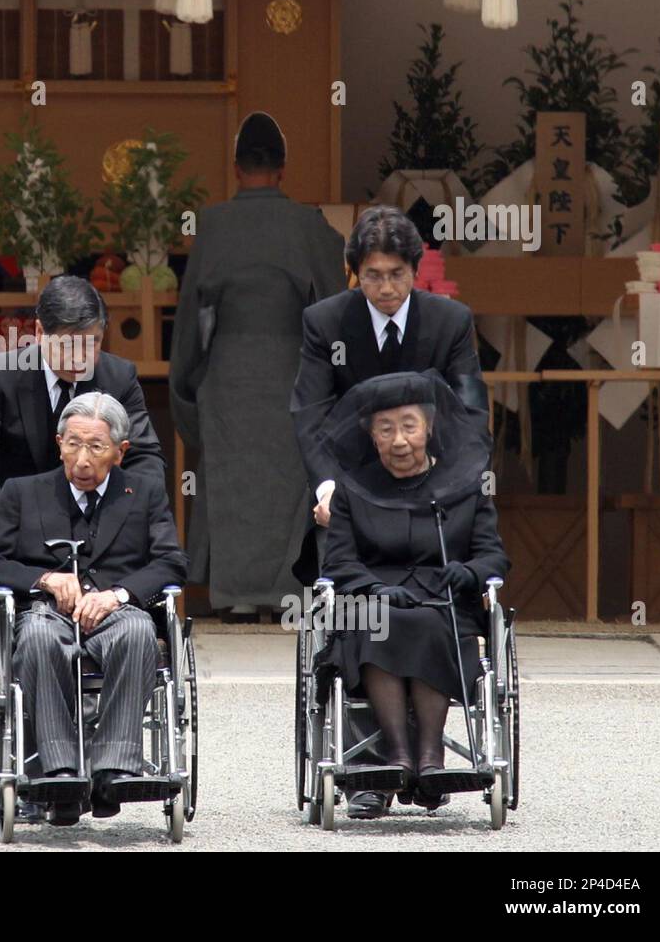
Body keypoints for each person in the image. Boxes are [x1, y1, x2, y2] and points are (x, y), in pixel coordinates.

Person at [0, 391, 187, 826]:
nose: (83, 459)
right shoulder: (22, 492)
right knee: (34, 637)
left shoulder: (143, 493)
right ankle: (58, 770)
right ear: (59, 443)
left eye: (96, 447)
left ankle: (113, 768)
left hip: (114, 611)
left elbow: (171, 562)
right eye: (73, 444)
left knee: (138, 632)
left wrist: (119, 595)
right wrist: (45, 580)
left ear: (120, 451)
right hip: (46, 613)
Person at [170, 111, 345, 621]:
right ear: (283, 169)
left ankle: (236, 596)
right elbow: (334, 306)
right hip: (294, 370)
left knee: (230, 480)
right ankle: (288, 591)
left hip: (226, 372)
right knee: (291, 479)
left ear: (236, 166)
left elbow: (190, 322)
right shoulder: (308, 225)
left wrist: (186, 388)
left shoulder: (214, 224)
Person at [314, 370, 508, 819]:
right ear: (371, 436)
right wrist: (374, 588)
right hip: (372, 599)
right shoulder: (353, 490)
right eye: (386, 429)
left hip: (444, 600)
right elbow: (339, 563)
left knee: (426, 622)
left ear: (429, 428)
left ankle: (430, 760)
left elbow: (494, 559)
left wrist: (466, 573)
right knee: (381, 621)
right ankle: (399, 759)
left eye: (409, 426)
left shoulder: (465, 485)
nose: (399, 440)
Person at [0, 275, 167, 646]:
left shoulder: (118, 376)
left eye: (91, 344)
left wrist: (135, 505)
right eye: (68, 347)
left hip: (96, 519)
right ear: (41, 332)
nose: (80, 358)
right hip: (20, 523)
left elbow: (144, 455)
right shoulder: (3, 373)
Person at [291, 205, 487, 534]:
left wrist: (456, 485)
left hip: (432, 484)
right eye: (374, 275)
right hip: (349, 484)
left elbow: (471, 412)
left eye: (396, 274)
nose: (386, 288)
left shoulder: (451, 322)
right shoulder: (325, 323)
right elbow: (310, 414)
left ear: (414, 268)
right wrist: (328, 491)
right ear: (354, 271)